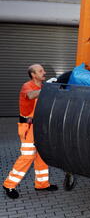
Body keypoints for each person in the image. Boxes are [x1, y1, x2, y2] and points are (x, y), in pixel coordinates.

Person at [3, 64, 58, 199]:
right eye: (40, 71)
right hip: (28, 128)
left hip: (40, 126)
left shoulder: (43, 87)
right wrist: (47, 88)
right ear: (33, 75)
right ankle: (9, 184)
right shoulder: (27, 86)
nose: (44, 72)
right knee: (27, 156)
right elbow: (31, 95)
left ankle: (42, 184)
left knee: (41, 155)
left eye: (43, 70)